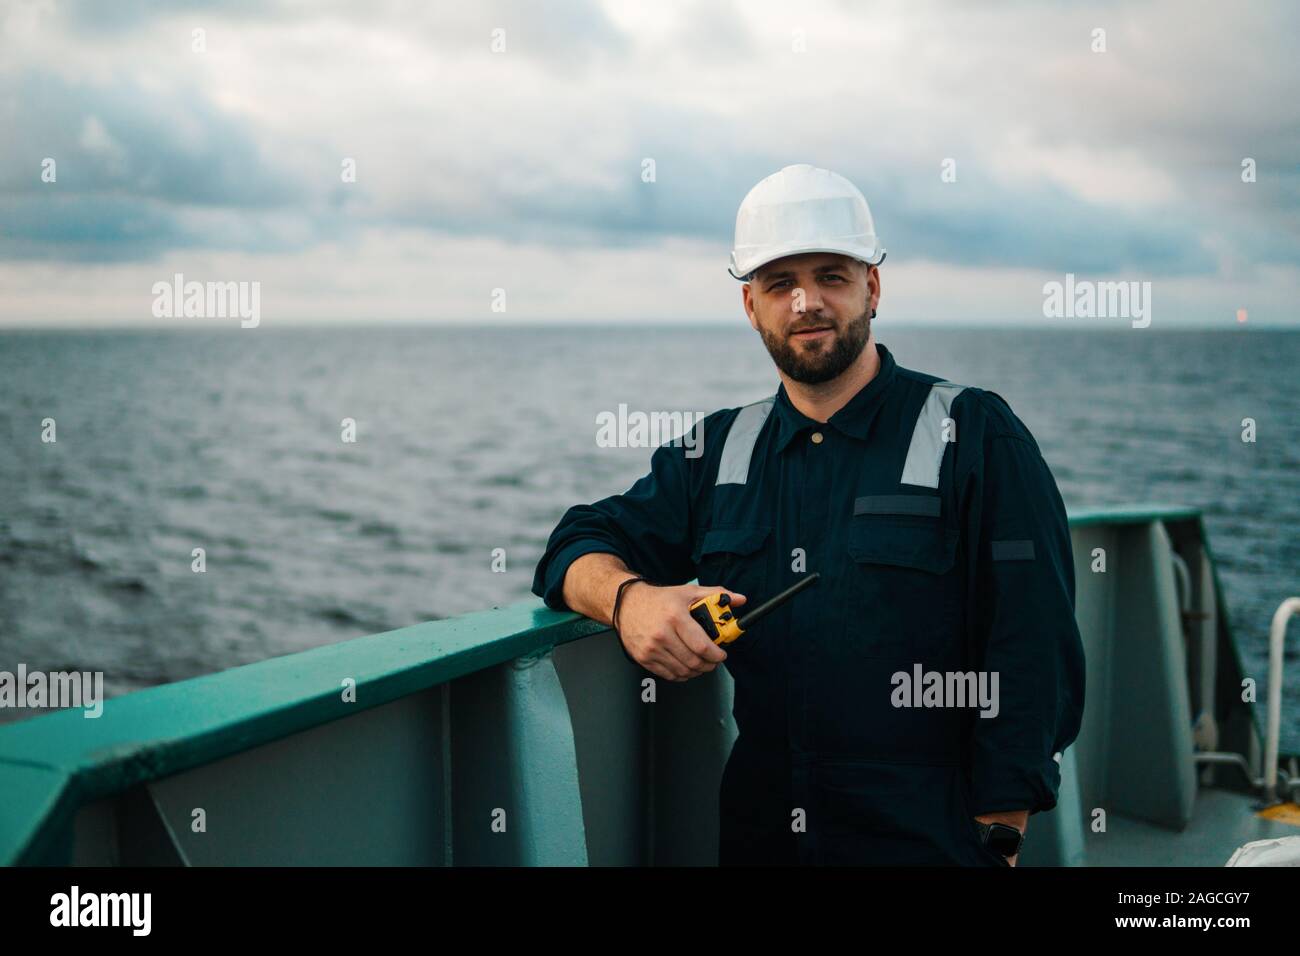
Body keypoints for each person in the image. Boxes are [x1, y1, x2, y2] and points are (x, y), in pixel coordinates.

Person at [531, 163, 1085, 866]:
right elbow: (574, 542)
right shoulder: (717, 450)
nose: (806, 302)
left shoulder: (973, 432)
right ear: (751, 306)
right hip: (763, 835)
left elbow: (1033, 645)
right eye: (780, 284)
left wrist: (999, 834)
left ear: (872, 289)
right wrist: (628, 601)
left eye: (831, 276)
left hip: (929, 837)